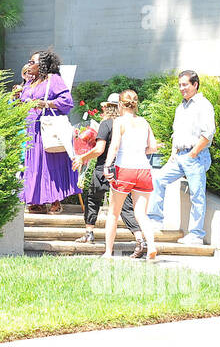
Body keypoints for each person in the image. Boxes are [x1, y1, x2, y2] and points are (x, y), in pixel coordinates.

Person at [148, 69, 216, 246]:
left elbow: (208, 134)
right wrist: (173, 154)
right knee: (158, 179)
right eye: (180, 85)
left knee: (197, 195)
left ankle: (196, 235)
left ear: (195, 84)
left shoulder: (204, 105)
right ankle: (155, 221)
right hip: (179, 156)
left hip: (196, 156)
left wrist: (194, 153)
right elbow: (176, 133)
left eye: (185, 84)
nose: (182, 88)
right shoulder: (181, 107)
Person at [72, 93, 141, 251]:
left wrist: (82, 157)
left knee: (92, 199)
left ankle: (89, 232)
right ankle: (139, 237)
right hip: (124, 169)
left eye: (104, 106)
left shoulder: (107, 124)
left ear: (108, 107)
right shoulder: (130, 123)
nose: (102, 109)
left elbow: (99, 149)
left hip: (104, 168)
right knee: (126, 205)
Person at [101, 89, 163, 259]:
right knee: (141, 214)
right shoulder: (144, 122)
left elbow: (114, 146)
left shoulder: (119, 121)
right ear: (136, 104)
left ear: (120, 104)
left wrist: (107, 166)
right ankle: (151, 245)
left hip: (125, 169)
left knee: (113, 213)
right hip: (143, 170)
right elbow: (153, 147)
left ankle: (108, 252)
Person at [19, 49, 78, 214]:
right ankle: (36, 200)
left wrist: (46, 104)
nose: (29, 65)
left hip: (48, 128)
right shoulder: (30, 82)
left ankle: (55, 200)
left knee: (49, 163)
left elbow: (66, 101)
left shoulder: (54, 79)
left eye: (33, 62)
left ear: (42, 64)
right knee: (34, 165)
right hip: (32, 129)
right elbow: (24, 101)